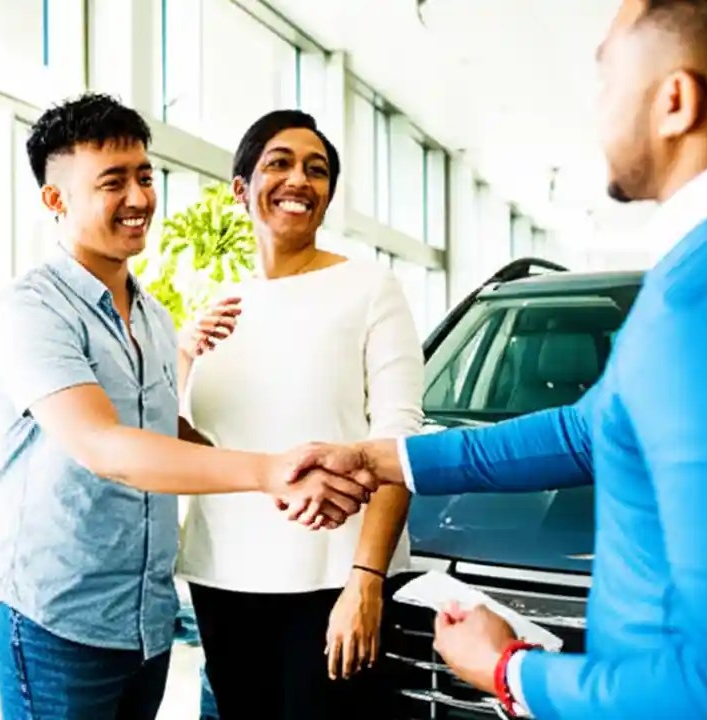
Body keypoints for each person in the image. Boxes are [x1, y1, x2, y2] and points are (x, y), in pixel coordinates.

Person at [296, 0, 707, 717]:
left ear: (676, 101)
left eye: (607, 72)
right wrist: (385, 460)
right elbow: (589, 428)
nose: (596, 103)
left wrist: (510, 673)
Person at [0, 94, 380, 720]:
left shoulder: (155, 317)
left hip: (144, 622)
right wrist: (267, 468)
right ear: (56, 200)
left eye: (144, 176)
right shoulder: (31, 312)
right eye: (113, 182)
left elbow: (172, 436)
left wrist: (297, 478)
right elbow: (105, 447)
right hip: (55, 621)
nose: (139, 198)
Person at [175, 110, 423, 720]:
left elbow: (399, 436)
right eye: (278, 163)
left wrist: (366, 580)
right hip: (222, 575)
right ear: (241, 189)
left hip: (330, 581)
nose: (299, 180)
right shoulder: (221, 306)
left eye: (317, 170)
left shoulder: (369, 287)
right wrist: (181, 351)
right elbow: (193, 442)